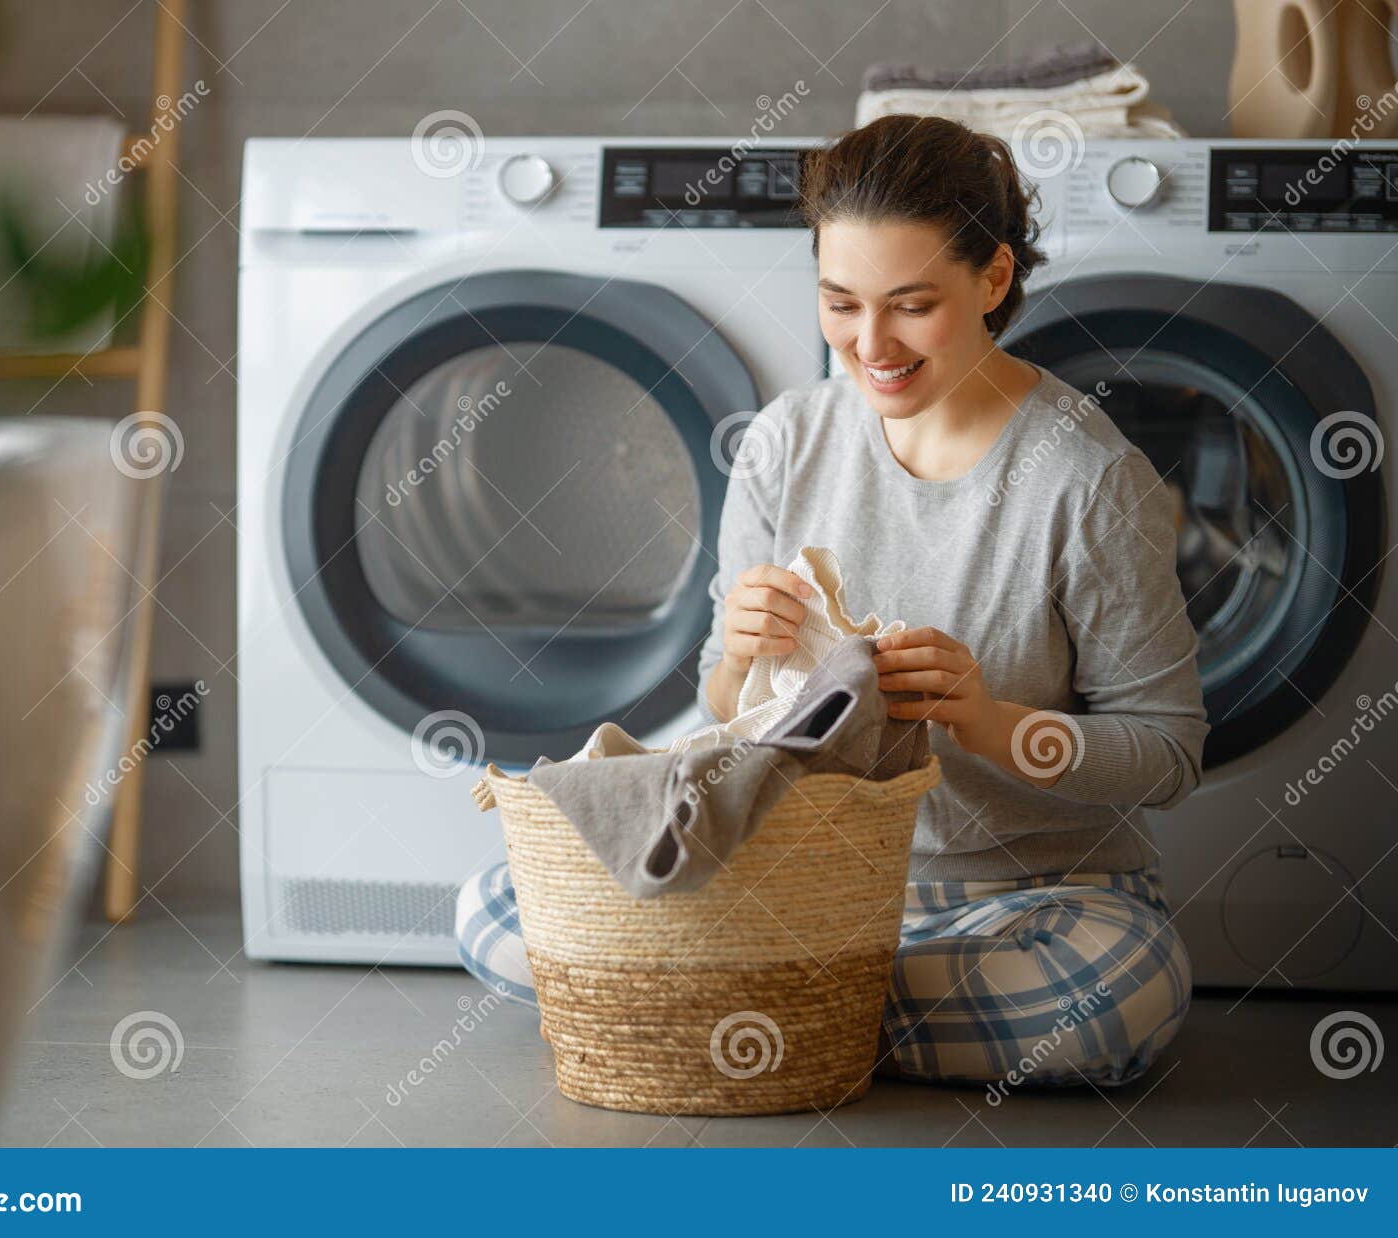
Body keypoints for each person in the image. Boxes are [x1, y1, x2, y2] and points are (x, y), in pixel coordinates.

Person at [458, 114, 1208, 1089]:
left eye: (910, 304)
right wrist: (735, 654)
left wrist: (987, 721)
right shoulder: (785, 442)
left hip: (1025, 896)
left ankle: (715, 1006)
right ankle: (806, 1005)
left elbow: (1168, 753)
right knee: (492, 909)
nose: (870, 342)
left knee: (1115, 991)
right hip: (800, 879)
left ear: (992, 280)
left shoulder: (1086, 476)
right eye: (839, 301)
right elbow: (732, 709)